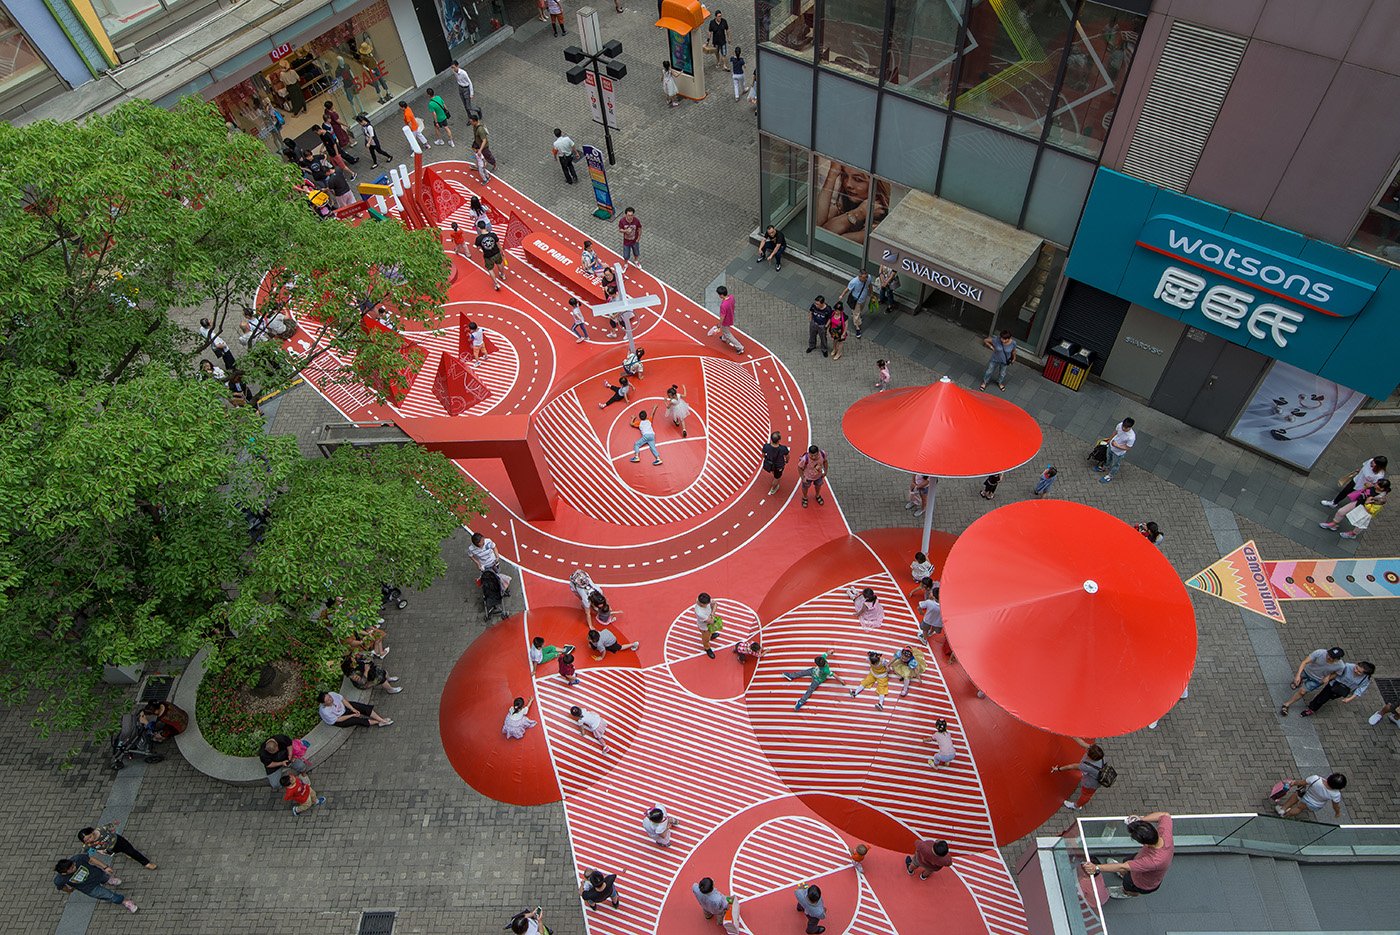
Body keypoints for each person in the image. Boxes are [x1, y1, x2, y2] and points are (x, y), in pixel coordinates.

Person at [1085, 811, 1174, 899]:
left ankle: (1125, 893)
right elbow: (1165, 815)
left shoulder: (1154, 861)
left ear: (1145, 844)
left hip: (1141, 882)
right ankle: (1122, 875)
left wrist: (1096, 867)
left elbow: (1123, 867)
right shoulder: (1164, 834)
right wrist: (1141, 820)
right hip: (1139, 859)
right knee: (1126, 867)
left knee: (1130, 888)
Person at [53, 854, 138, 912]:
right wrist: (69, 890)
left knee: (105, 878)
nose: (74, 867)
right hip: (90, 889)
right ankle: (125, 902)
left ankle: (108, 881)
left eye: (73, 865)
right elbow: (61, 886)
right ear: (64, 873)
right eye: (71, 868)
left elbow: (91, 859)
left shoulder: (77, 859)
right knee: (108, 895)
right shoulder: (60, 879)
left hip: (97, 875)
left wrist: (105, 867)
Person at [1320, 478, 1390, 538]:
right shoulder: (1373, 487)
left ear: (1381, 488)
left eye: (1377, 484)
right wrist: (1365, 485)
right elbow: (1365, 491)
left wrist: (1367, 503)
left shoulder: (1380, 499)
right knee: (1341, 511)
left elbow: (1373, 510)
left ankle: (1353, 534)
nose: (1375, 484)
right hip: (1358, 503)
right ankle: (1333, 524)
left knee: (1360, 524)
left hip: (1365, 510)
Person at [1301, 660, 1376, 716]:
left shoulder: (1366, 679)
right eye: (1356, 667)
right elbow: (1334, 670)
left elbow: (1360, 689)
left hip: (1342, 690)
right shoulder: (1348, 666)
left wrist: (1349, 699)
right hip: (1333, 684)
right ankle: (1312, 708)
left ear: (1364, 674)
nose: (1355, 670)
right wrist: (1328, 677)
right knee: (1323, 698)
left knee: (1330, 697)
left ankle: (1320, 700)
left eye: (1359, 672)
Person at [1053, 741, 1107, 810]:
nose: (1087, 748)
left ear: (1090, 756)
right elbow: (1082, 743)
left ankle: (1077, 806)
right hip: (1096, 774)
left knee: (1086, 795)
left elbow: (1072, 766)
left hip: (1091, 783)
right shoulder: (1098, 755)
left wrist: (1058, 769)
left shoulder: (1087, 766)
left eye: (1088, 750)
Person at [78, 823, 156, 870]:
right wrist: (98, 851)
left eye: (89, 837)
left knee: (132, 852)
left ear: (92, 832)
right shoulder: (87, 845)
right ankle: (126, 853)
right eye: (86, 840)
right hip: (111, 849)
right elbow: (87, 850)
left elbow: (110, 826)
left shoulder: (102, 829)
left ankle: (146, 863)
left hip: (119, 841)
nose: (89, 840)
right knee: (125, 852)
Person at [1275, 773, 1345, 819]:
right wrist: (1337, 813)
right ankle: (1285, 816)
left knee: (1296, 795)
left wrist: (1293, 783)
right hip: (1314, 805)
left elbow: (1301, 782)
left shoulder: (1316, 779)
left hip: (1304, 794)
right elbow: (1336, 805)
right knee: (1299, 808)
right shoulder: (1336, 794)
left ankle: (1283, 809)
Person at [318, 690, 392, 727]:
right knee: (357, 720)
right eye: (328, 700)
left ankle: (381, 719)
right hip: (339, 718)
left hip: (344, 708)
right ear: (324, 703)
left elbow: (342, 699)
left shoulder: (332, 694)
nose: (331, 699)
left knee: (362, 707)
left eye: (329, 697)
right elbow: (338, 719)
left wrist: (353, 709)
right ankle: (378, 722)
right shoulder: (325, 712)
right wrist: (352, 715)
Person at [836, 269, 873, 338]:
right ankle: (857, 327)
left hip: (863, 299)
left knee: (859, 310)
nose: (866, 278)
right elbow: (848, 288)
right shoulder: (854, 282)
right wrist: (842, 295)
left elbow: (870, 285)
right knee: (856, 314)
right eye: (865, 277)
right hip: (856, 300)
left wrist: (871, 294)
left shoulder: (869, 278)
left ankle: (855, 315)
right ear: (860, 277)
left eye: (867, 277)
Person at [1097, 418, 1136, 482]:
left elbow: (1128, 448)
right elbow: (1115, 432)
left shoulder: (1131, 437)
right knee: (1108, 457)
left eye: (1126, 428)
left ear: (1131, 427)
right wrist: (1110, 439)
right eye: (1123, 426)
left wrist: (1116, 446)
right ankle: (1105, 467)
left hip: (1118, 453)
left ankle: (1110, 475)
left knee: (1116, 464)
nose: (1123, 429)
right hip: (1111, 446)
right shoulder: (1120, 425)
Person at [474, 220, 506, 291]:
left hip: (488, 256)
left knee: (490, 269)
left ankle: (496, 283)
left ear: (479, 228)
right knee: (499, 263)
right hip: (496, 252)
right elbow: (498, 243)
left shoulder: (478, 239)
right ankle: (503, 275)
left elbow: (478, 247)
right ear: (485, 226)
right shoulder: (493, 235)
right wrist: (502, 251)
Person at [694, 592, 723, 658]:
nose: (708, 604)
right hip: (704, 627)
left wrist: (711, 614)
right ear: (702, 604)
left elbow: (715, 603)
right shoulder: (699, 613)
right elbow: (711, 621)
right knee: (706, 638)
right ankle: (707, 648)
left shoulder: (703, 599)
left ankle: (710, 635)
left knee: (709, 633)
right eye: (707, 604)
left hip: (709, 620)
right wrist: (712, 614)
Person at [761, 431, 790, 496]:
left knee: (773, 471)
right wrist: (787, 460)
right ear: (779, 440)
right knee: (776, 478)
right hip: (779, 466)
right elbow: (787, 456)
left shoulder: (766, 446)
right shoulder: (783, 448)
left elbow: (763, 454)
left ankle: (774, 473)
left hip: (770, 464)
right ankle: (773, 488)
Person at [717, 285, 744, 353]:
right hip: (730, 317)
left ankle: (739, 347)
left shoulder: (723, 305)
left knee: (728, 334)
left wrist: (719, 324)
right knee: (725, 331)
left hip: (725, 321)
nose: (719, 296)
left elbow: (722, 316)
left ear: (722, 295)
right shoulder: (731, 297)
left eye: (719, 295)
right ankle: (724, 338)